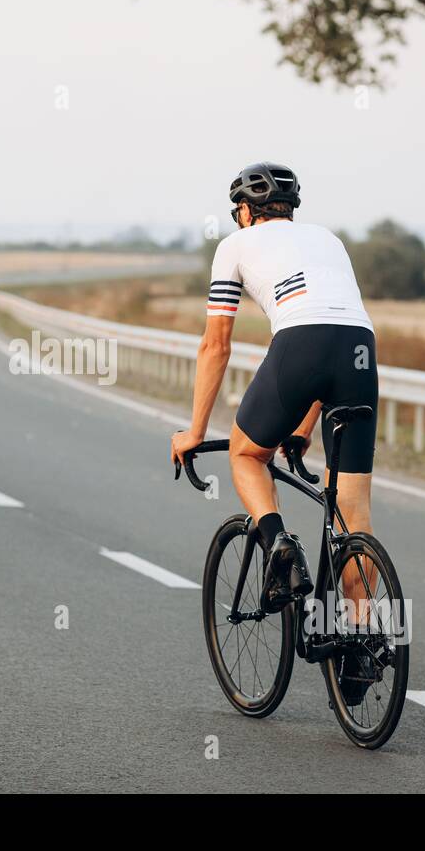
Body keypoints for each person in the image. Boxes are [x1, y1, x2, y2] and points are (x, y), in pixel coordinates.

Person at [170, 162, 378, 621]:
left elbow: (216, 345)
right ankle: (363, 647)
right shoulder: (330, 241)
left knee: (246, 454)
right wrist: (303, 430)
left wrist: (194, 431)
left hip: (300, 343)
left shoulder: (235, 245)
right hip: (360, 347)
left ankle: (279, 543)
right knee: (354, 510)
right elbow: (334, 331)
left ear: (244, 211)